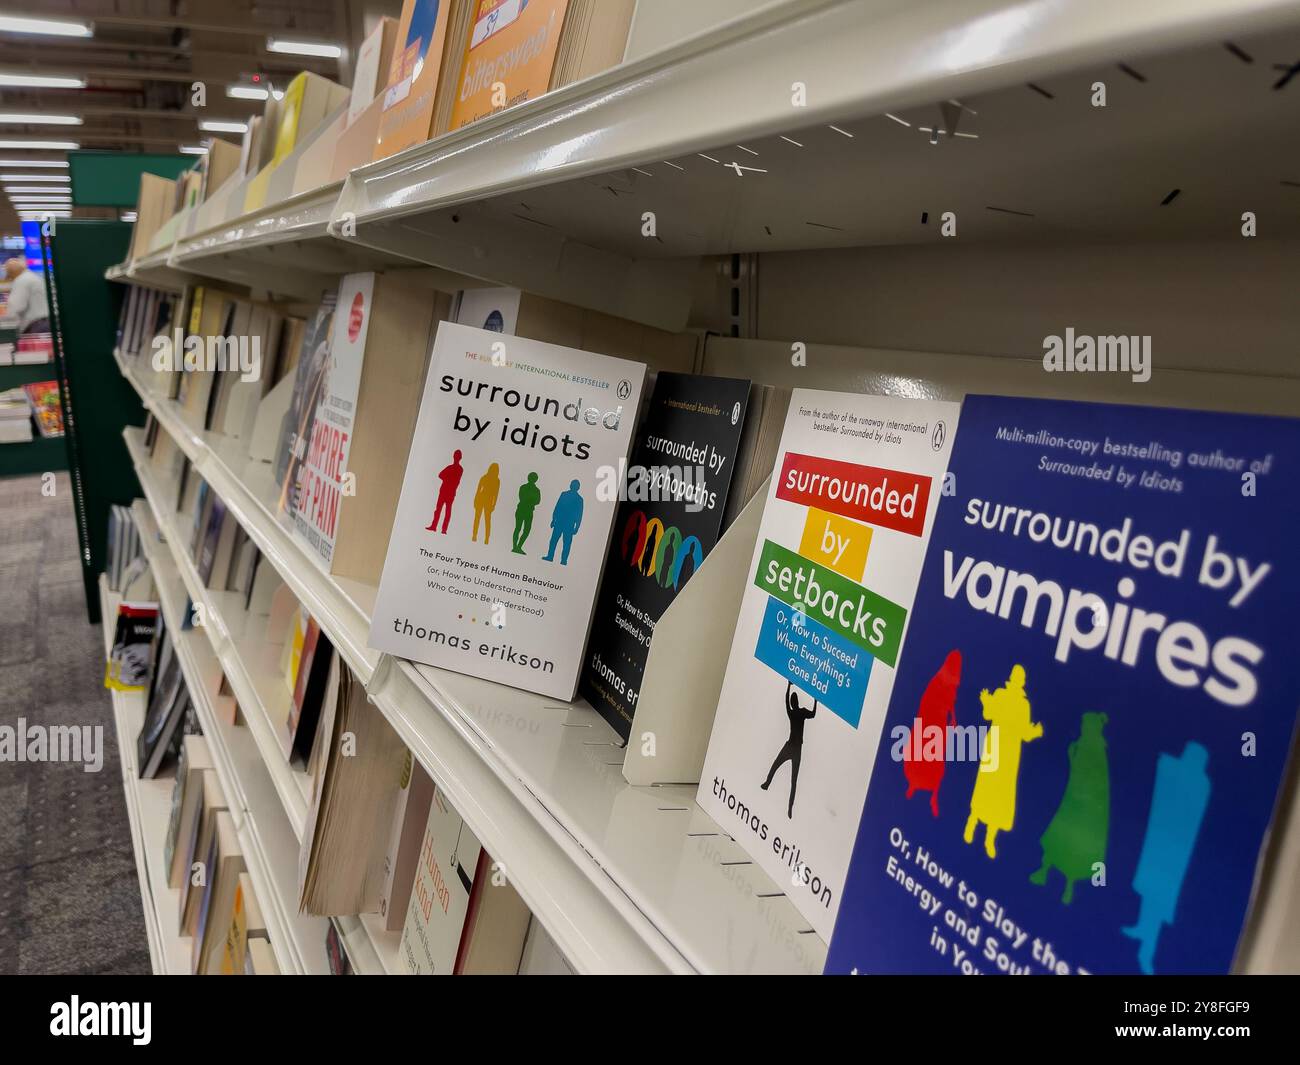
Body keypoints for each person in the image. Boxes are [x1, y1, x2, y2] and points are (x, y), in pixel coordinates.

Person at [964, 664, 1043, 859]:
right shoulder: (1002, 695)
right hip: (996, 748)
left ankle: (989, 838)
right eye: (1018, 677)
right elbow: (989, 715)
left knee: (999, 795)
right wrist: (986, 702)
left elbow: (1023, 732)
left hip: (1008, 755)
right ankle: (972, 823)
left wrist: (1035, 731)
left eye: (1019, 678)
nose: (1018, 681)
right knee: (986, 787)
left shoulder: (1023, 705)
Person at [904, 649, 962, 817]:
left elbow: (951, 704)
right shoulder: (938, 681)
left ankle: (932, 795)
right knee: (921, 753)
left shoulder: (951, 685)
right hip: (929, 721)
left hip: (939, 724)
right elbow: (930, 701)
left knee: (936, 759)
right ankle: (914, 783)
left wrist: (952, 719)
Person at [761, 680, 817, 818]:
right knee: (793, 780)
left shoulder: (792, 713)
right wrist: (816, 700)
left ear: (793, 703)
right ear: (797, 702)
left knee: (776, 765)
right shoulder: (802, 712)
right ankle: (789, 807)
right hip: (796, 748)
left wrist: (788, 686)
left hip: (791, 746)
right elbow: (814, 714)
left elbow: (786, 701)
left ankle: (768, 784)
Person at [542, 479, 584, 565]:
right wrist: (553, 519)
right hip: (561, 522)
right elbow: (557, 507)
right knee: (555, 540)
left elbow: (579, 514)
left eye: (575, 485)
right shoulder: (565, 494)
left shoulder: (579, 499)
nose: (573, 486)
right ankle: (551, 557)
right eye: (573, 484)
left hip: (567, 523)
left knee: (566, 543)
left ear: (577, 487)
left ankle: (563, 560)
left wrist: (577, 527)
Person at [4, 258, 49, 335]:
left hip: (36, 326)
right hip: (46, 323)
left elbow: (16, 306)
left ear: (12, 273)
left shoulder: (21, 280)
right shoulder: (34, 277)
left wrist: (5, 321)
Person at [427, 450, 464, 533]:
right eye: (456, 456)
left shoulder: (458, 469)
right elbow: (440, 474)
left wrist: (447, 479)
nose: (456, 458)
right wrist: (448, 479)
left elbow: (455, 480)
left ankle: (443, 529)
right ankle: (435, 527)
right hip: (445, 491)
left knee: (446, 511)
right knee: (440, 510)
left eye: (457, 456)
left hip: (449, 491)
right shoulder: (452, 467)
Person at [512, 473, 541, 554]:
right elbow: (522, 497)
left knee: (526, 530)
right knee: (518, 528)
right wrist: (531, 500)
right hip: (523, 509)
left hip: (528, 511)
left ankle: (518, 547)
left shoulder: (536, 490)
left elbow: (538, 501)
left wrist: (529, 499)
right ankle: (515, 547)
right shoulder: (524, 487)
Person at [471, 462, 500, 544]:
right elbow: (496, 494)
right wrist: (494, 504)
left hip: (483, 499)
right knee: (485, 520)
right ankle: (482, 538)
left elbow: (478, 490)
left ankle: (477, 536)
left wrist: (475, 500)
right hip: (486, 500)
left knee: (479, 519)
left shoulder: (486, 477)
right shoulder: (495, 480)